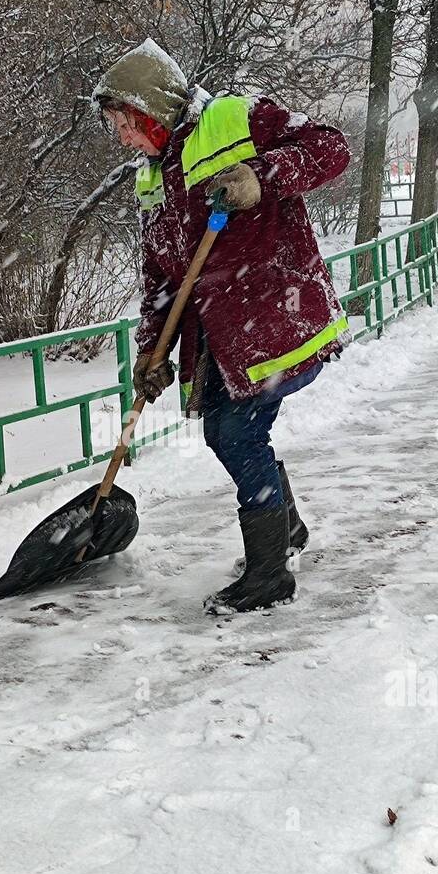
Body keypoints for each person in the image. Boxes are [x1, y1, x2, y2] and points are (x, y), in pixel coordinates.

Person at [93, 39, 352, 614]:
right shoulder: (152, 179)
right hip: (221, 338)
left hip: (276, 318)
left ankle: (269, 576)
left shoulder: (237, 117)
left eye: (124, 124)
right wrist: (150, 352)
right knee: (232, 432)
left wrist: (262, 175)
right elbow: (161, 276)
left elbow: (331, 148)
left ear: (150, 109)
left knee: (234, 435)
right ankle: (284, 530)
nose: (123, 139)